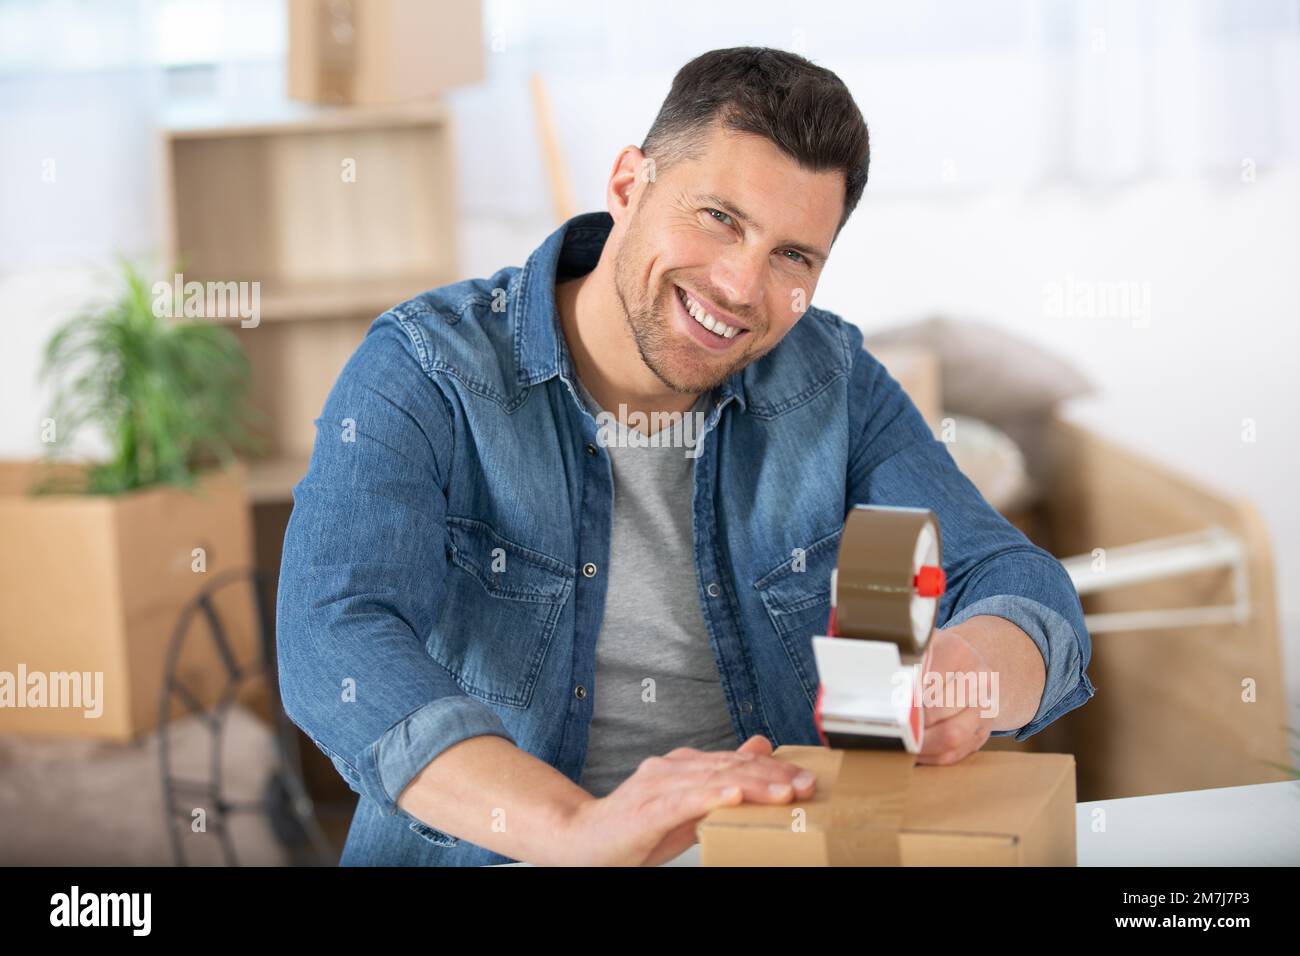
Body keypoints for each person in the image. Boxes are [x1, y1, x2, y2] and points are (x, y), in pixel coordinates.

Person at [276, 46, 1095, 866]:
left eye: (792, 256)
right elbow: (332, 636)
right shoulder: (427, 369)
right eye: (720, 218)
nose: (741, 287)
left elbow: (1018, 582)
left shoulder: (831, 381)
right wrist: (573, 827)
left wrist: (973, 671)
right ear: (629, 186)